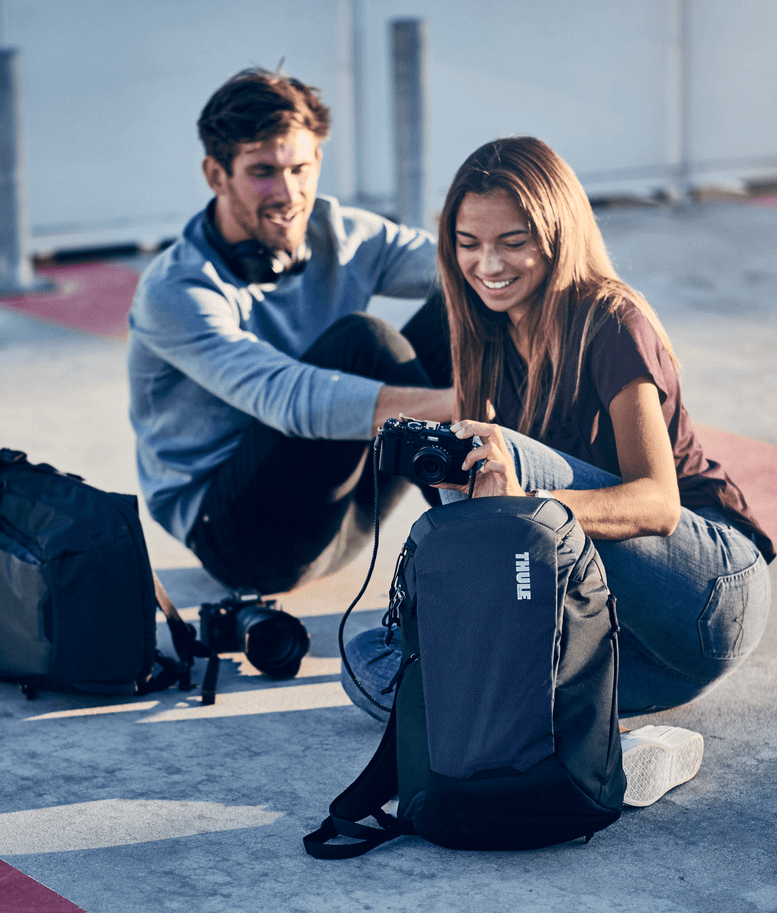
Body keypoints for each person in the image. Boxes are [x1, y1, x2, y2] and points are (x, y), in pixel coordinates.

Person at [345, 136, 774, 807]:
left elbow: (657, 503)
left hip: (707, 590)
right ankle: (621, 752)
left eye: (512, 241)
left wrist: (527, 506)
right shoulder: (484, 335)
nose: (486, 264)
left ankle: (575, 735)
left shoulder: (609, 320)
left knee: (495, 447)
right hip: (625, 640)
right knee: (373, 662)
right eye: (467, 242)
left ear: (554, 233)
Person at [128, 68, 457, 595]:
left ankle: (540, 524)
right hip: (246, 543)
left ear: (318, 161)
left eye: (300, 169)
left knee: (479, 298)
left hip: (345, 515)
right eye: (263, 172)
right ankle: (495, 549)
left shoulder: (344, 233)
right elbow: (288, 399)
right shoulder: (178, 291)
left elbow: (468, 267)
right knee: (365, 343)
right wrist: (459, 404)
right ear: (216, 175)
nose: (288, 193)